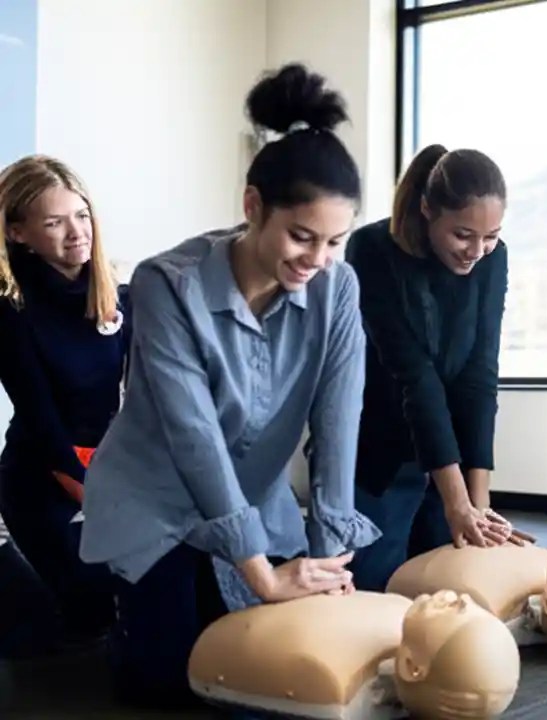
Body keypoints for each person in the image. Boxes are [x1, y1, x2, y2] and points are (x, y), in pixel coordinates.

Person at [77, 63, 380, 708]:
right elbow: (195, 438)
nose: (318, 259)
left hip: (254, 497)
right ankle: (121, 633)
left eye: (335, 240)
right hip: (154, 500)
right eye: (302, 236)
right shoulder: (168, 285)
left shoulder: (338, 287)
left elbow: (337, 422)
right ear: (252, 207)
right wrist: (261, 577)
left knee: (265, 669)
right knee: (172, 680)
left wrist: (327, 564)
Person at [344, 143, 531, 593]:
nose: (477, 250)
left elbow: (480, 376)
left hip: (449, 448)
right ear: (427, 209)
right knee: (372, 589)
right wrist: (456, 501)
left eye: (490, 236)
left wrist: (477, 504)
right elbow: (414, 376)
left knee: (451, 585)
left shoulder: (493, 258)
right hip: (383, 443)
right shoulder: (371, 249)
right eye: (463, 235)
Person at [0, 155, 129, 644]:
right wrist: (100, 496)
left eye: (81, 215)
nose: (77, 232)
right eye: (55, 222)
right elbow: (43, 425)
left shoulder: (118, 294)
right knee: (81, 621)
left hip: (108, 466)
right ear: (18, 233)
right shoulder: (11, 311)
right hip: (45, 478)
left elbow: (139, 397)